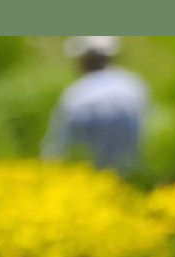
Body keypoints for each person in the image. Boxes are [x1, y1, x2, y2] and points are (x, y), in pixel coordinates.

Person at [42, 36, 149, 174]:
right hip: (132, 177)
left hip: (89, 178)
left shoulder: (78, 94)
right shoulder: (134, 86)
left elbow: (59, 145)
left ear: (84, 61)